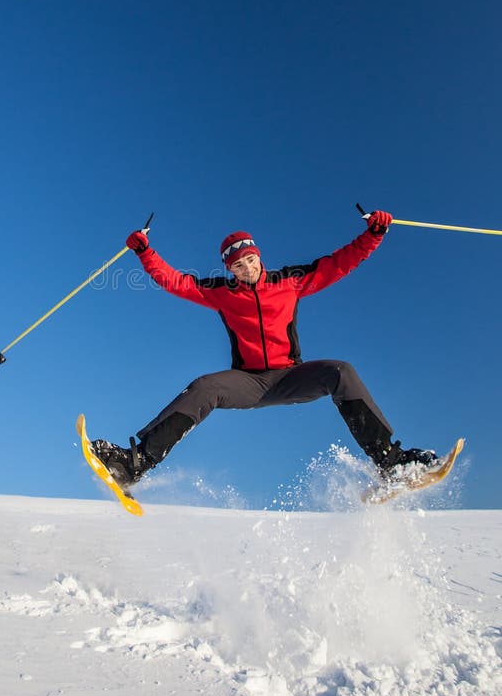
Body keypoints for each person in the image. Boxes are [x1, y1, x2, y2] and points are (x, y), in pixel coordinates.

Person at [91, 210, 436, 490]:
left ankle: (390, 462)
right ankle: (135, 463)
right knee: (205, 387)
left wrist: (373, 234)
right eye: (238, 266)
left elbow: (340, 263)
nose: (247, 269)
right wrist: (144, 252)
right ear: (230, 269)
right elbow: (175, 281)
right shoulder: (220, 292)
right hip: (249, 381)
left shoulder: (291, 280)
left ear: (259, 256)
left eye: (250, 261)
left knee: (341, 372)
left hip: (291, 375)